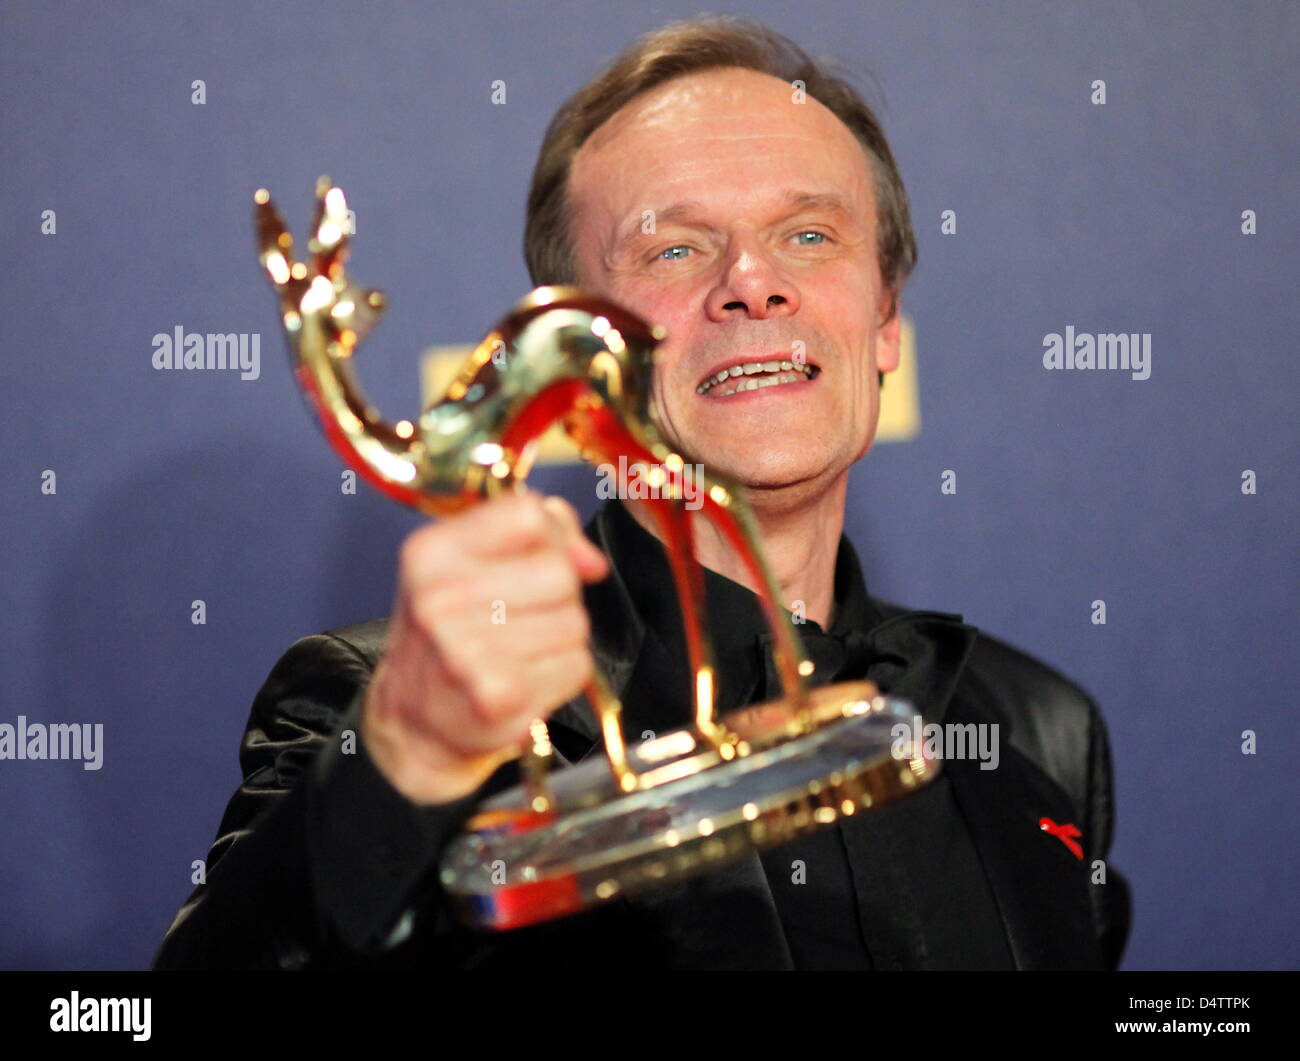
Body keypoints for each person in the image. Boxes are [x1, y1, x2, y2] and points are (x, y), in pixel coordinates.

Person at [153, 15, 1129, 971]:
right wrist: (405, 757)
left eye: (808, 233)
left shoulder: (1038, 724)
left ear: (885, 319)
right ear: (574, 351)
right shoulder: (381, 712)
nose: (752, 283)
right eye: (673, 248)